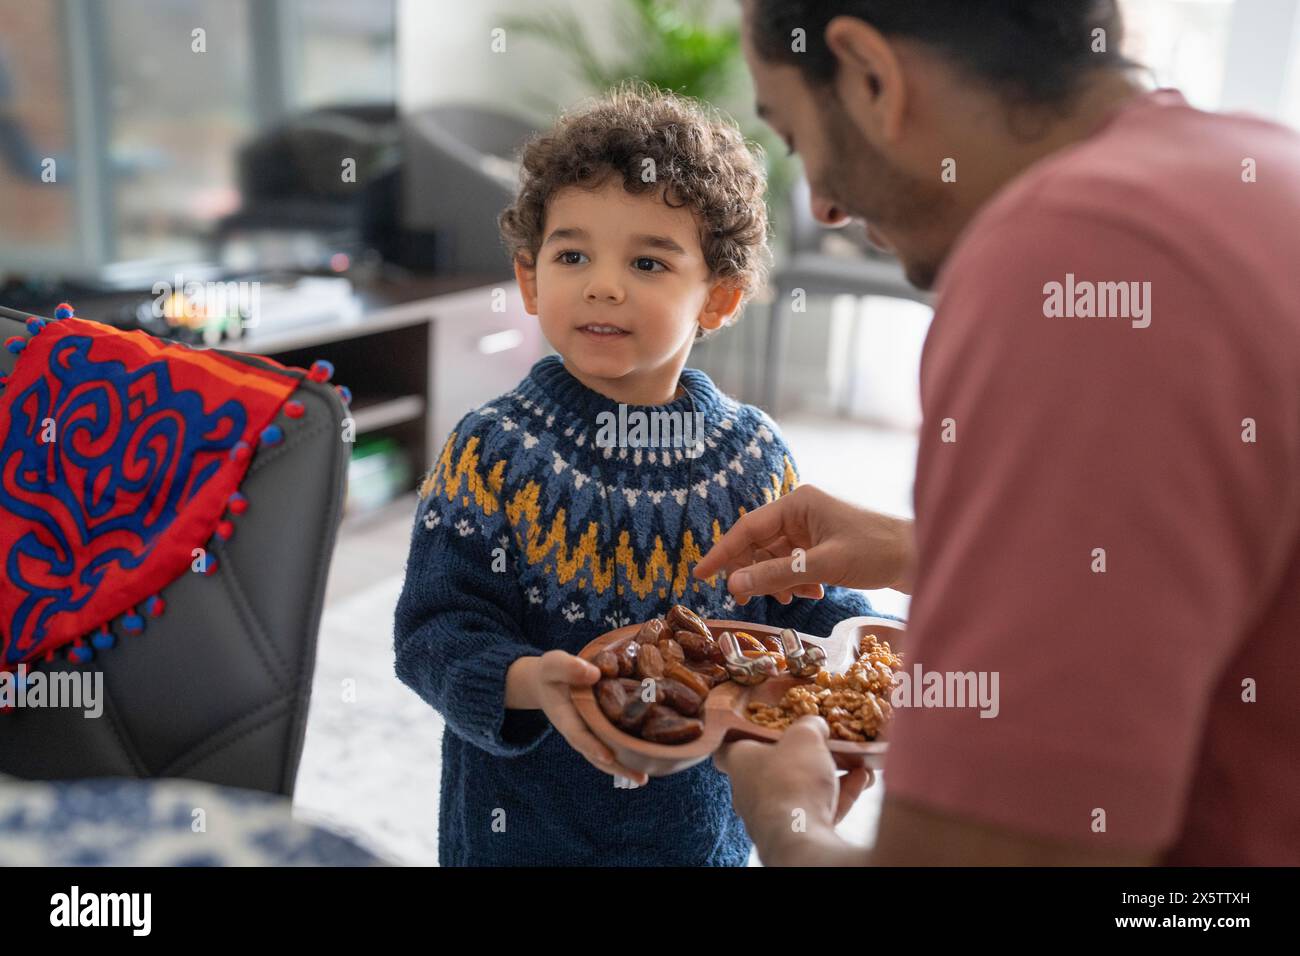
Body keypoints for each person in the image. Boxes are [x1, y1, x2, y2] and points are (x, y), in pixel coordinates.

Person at [696, 0, 1300, 865]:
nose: (823, 206)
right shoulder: (1256, 164)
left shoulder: (1073, 260)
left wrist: (786, 820)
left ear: (870, 73)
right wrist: (926, 553)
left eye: (795, 137)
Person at [393, 84, 881, 866]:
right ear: (529, 279)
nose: (603, 284)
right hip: (521, 830)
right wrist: (527, 679)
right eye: (572, 254)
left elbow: (805, 611)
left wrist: (870, 645)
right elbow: (432, 634)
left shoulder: (756, 457)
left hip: (697, 831)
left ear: (717, 299)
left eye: (648, 261)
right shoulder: (489, 452)